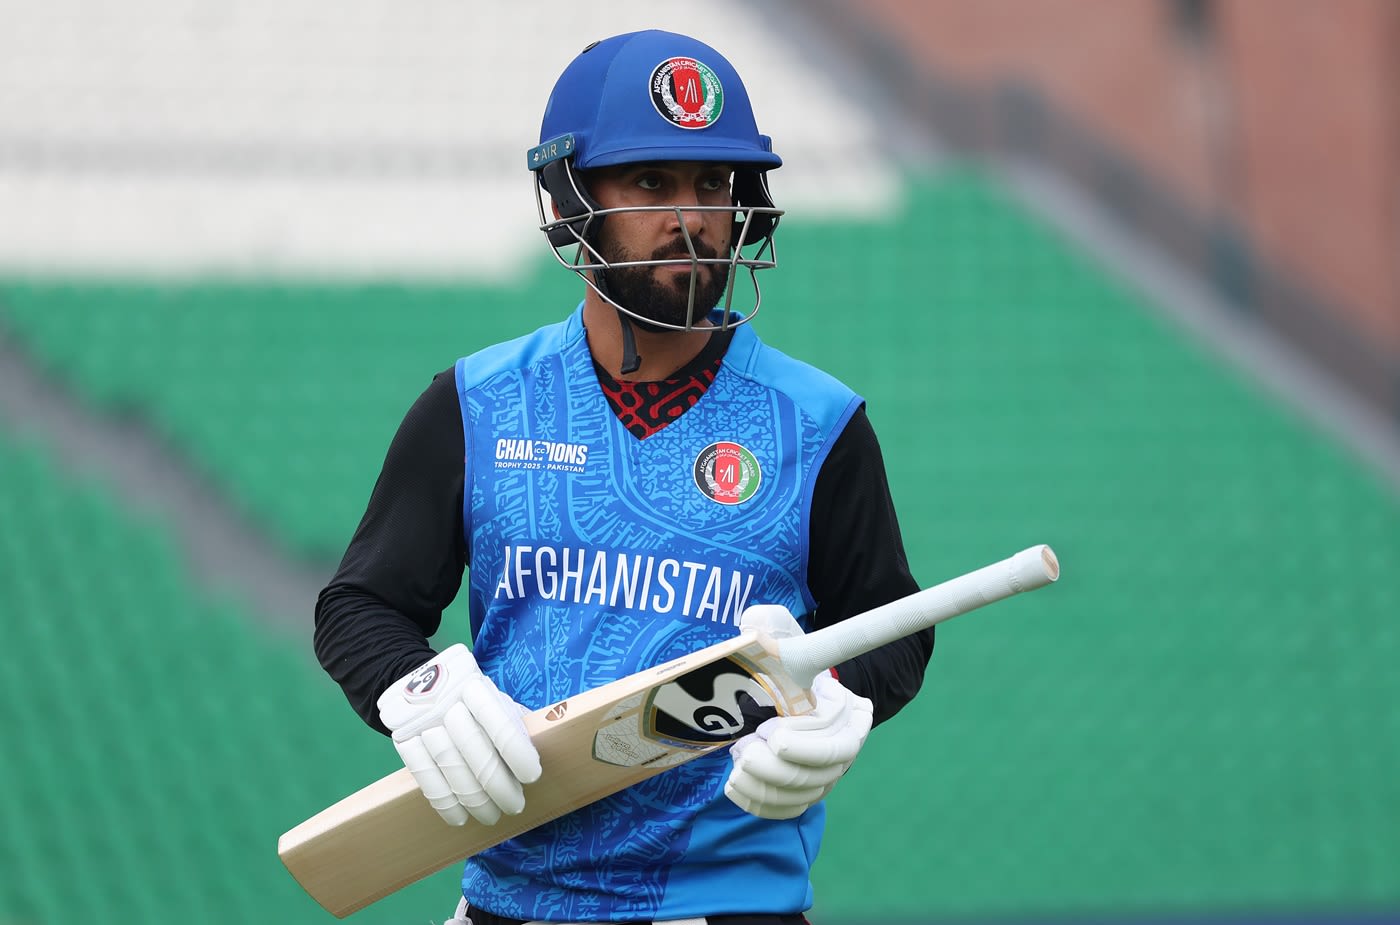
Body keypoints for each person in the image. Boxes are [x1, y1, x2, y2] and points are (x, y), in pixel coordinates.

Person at [314, 29, 935, 925]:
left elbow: (891, 628)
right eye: (651, 183)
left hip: (729, 903)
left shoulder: (820, 421)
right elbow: (360, 605)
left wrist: (837, 699)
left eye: (713, 186)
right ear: (572, 201)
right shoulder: (477, 401)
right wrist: (421, 690)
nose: (691, 217)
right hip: (510, 902)